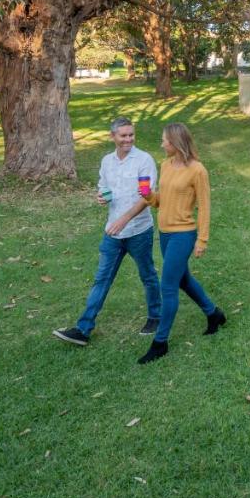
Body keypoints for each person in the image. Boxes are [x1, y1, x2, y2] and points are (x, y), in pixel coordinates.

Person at [53, 117, 160, 346]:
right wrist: (101, 196)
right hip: (113, 231)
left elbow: (147, 197)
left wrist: (125, 219)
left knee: (147, 275)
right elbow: (103, 186)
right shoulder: (107, 162)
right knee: (102, 278)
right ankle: (83, 329)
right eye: (123, 135)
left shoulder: (144, 160)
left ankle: (155, 317)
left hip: (138, 230)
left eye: (131, 135)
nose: (128, 139)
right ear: (113, 137)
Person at [136, 122, 226, 364]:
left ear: (175, 142)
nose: (162, 143)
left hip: (183, 235)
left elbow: (205, 207)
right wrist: (149, 196)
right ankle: (214, 314)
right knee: (183, 280)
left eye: (164, 140)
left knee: (168, 286)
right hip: (164, 233)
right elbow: (161, 201)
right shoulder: (165, 165)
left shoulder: (197, 170)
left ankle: (160, 342)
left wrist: (202, 239)